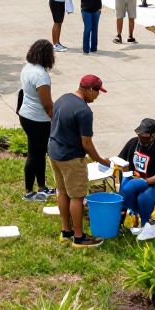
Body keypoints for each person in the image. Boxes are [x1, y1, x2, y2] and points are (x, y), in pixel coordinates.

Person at [48, 74, 110, 248]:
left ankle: (66, 232)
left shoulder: (63, 98)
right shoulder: (84, 111)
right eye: (97, 92)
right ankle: (79, 237)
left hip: (54, 152)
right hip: (71, 158)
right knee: (77, 196)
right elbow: (86, 142)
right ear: (90, 89)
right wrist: (100, 160)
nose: (97, 96)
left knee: (62, 191)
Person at [118, 117, 155, 241]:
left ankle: (148, 226)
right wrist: (126, 175)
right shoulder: (133, 143)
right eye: (139, 134)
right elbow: (121, 160)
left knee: (144, 197)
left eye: (145, 135)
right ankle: (134, 218)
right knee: (125, 189)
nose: (141, 137)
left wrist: (143, 181)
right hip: (136, 179)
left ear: (153, 135)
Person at [18, 40, 56, 201]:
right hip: (38, 120)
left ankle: (41, 187)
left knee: (39, 153)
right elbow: (47, 103)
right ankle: (28, 192)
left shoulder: (28, 67)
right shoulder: (41, 76)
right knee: (34, 154)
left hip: (25, 115)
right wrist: (54, 119)